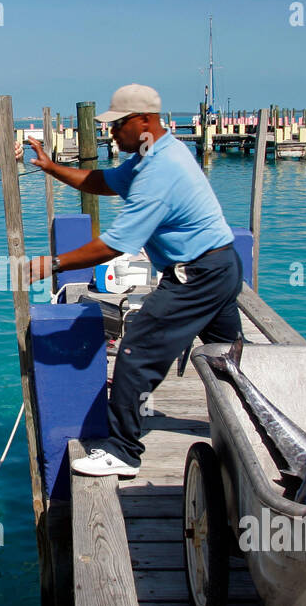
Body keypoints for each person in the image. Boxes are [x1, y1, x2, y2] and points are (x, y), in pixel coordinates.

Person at [28, 83, 243, 477]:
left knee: (135, 355)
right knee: (228, 359)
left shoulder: (159, 171)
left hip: (196, 277)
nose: (111, 132)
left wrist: (52, 264)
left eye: (117, 124)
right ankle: (243, 426)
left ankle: (123, 451)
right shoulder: (152, 155)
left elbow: (116, 244)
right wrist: (51, 166)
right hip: (223, 266)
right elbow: (100, 181)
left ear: (144, 120)